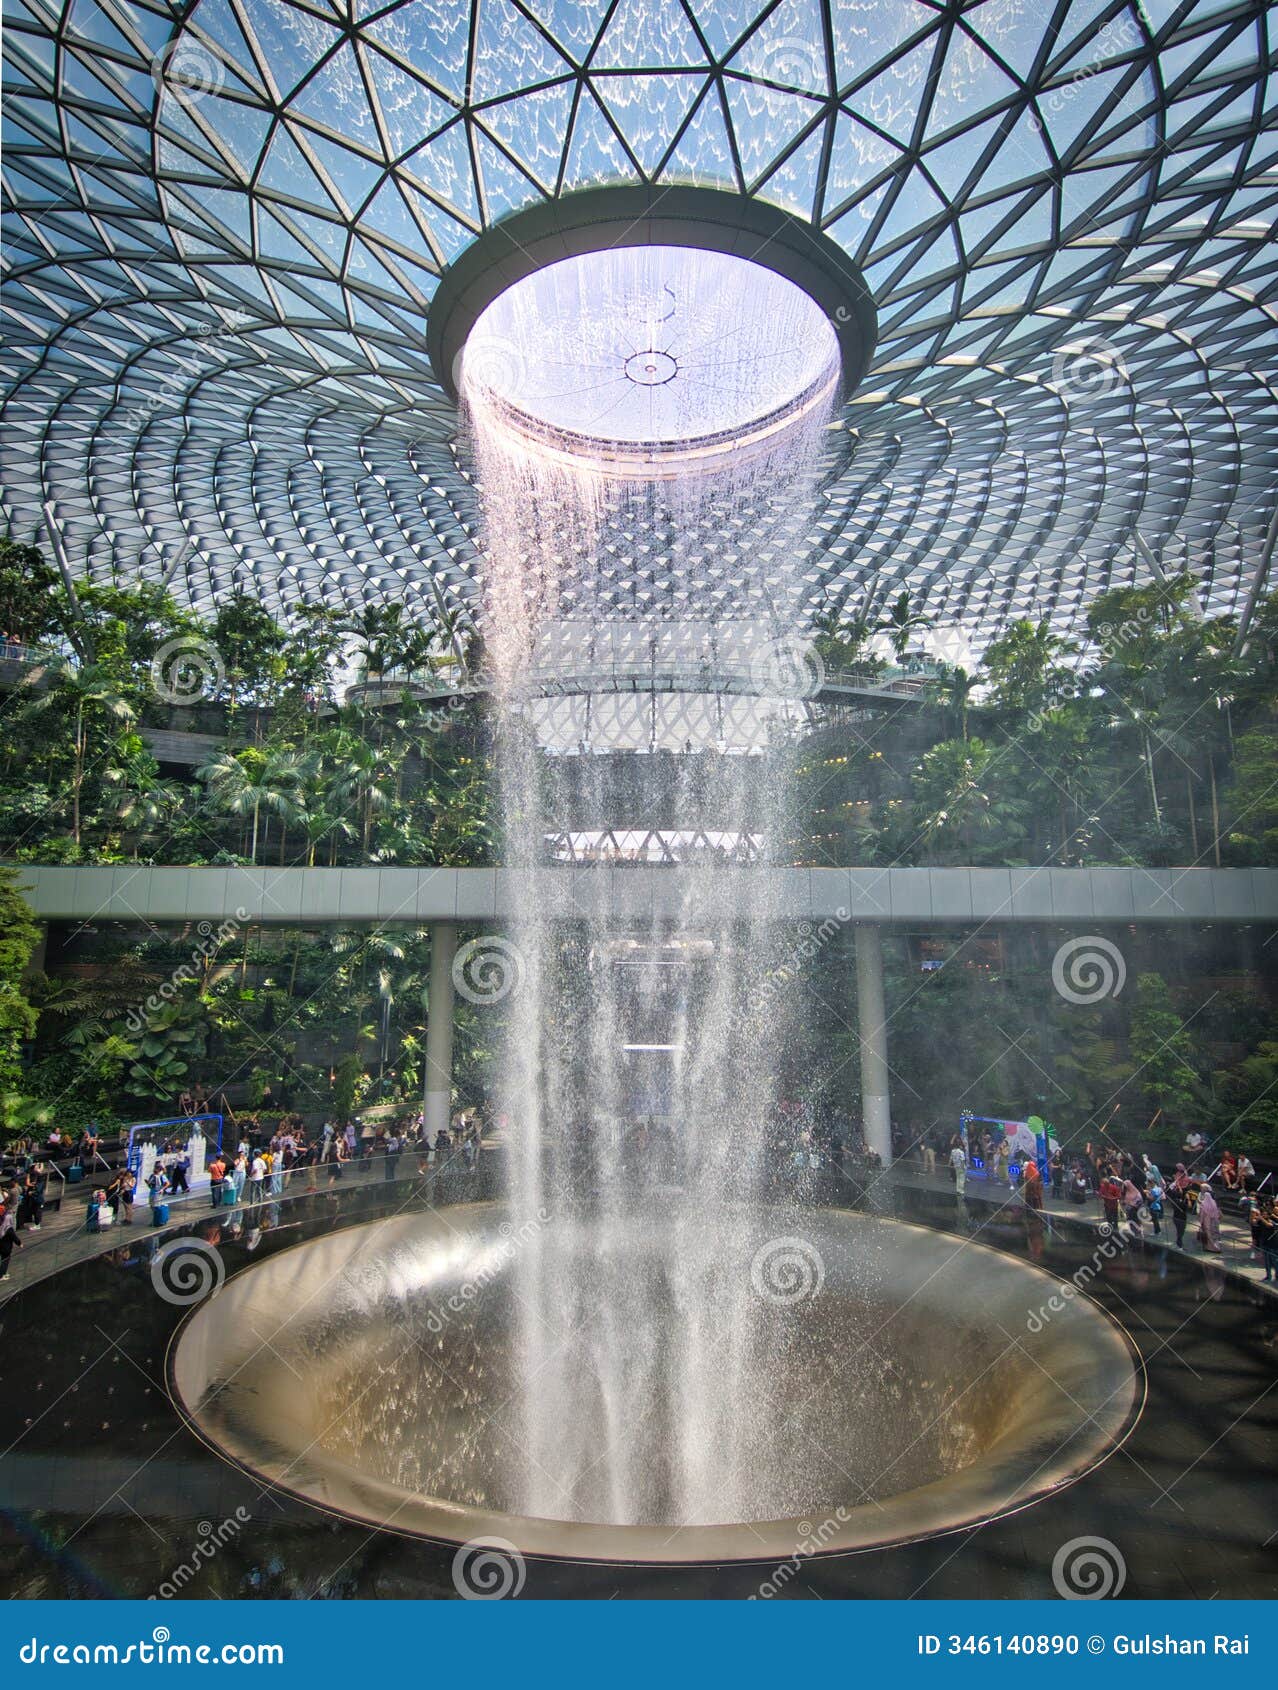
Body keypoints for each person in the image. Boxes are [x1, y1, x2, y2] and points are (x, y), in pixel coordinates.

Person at [1168, 1165, 1192, 1248]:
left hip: (1175, 1217)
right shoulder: (1181, 1204)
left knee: (1179, 1232)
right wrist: (1188, 1199)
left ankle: (1178, 1243)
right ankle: (1179, 1245)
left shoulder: (1174, 1201)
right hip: (1181, 1218)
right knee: (1180, 1232)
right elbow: (1189, 1207)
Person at [0, 1200, 23, 1280]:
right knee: (5, 1261)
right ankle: (2, 1275)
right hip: (6, 1248)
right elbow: (14, 1237)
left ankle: (4, 1273)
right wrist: (20, 1243)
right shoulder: (9, 1228)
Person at [1197, 1184, 1222, 1254]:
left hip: (1206, 1222)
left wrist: (1200, 1222)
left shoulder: (1203, 1204)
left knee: (1208, 1235)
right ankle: (1217, 1247)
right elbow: (1217, 1213)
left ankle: (1211, 1247)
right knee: (1214, 1234)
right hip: (1214, 1221)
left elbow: (1202, 1215)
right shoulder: (1214, 1203)